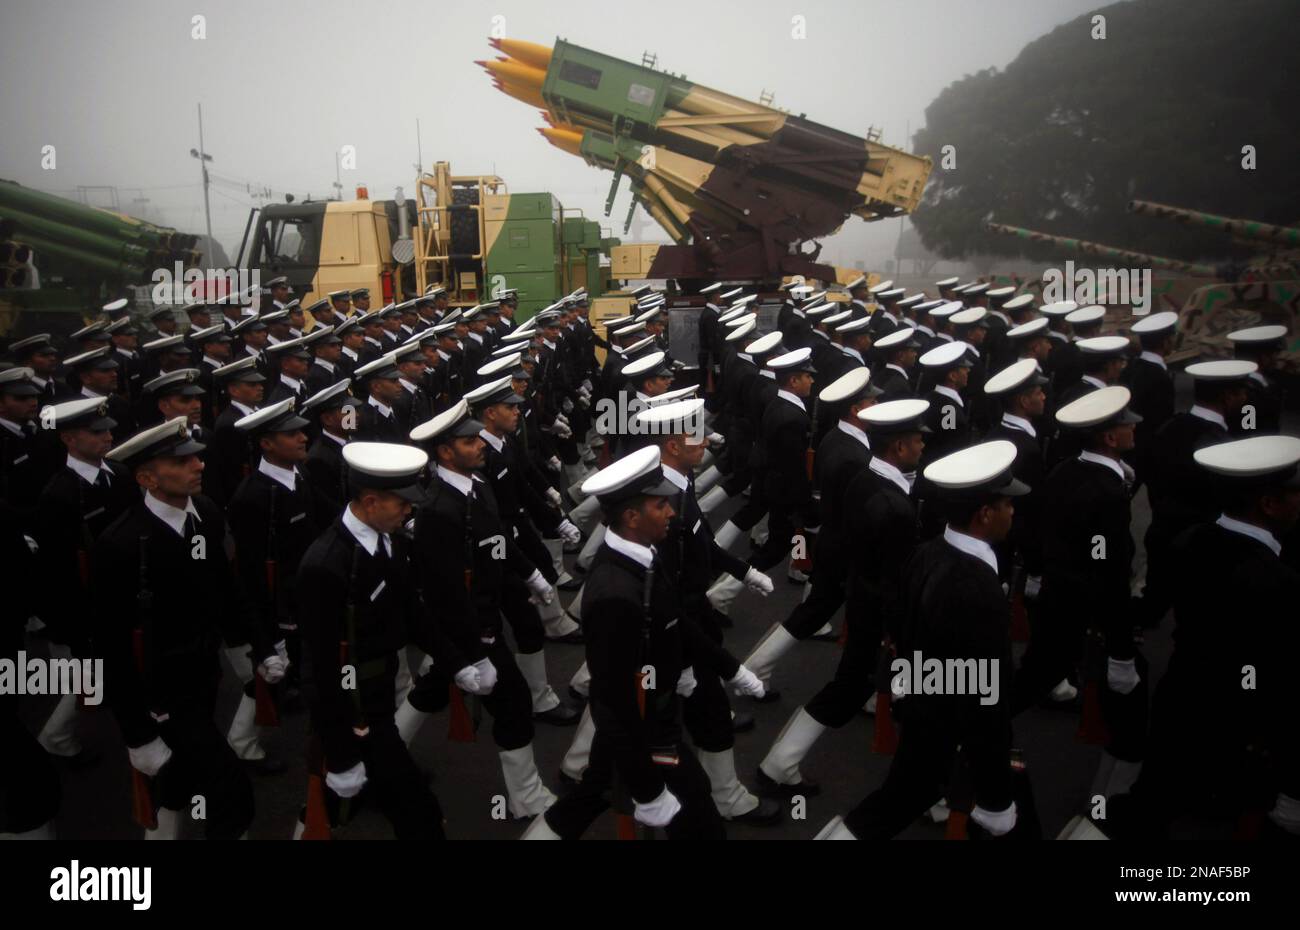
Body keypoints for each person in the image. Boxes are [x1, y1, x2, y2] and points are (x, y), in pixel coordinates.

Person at [816, 440, 1028, 840]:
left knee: (897, 799)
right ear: (984, 514)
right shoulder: (978, 587)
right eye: (1005, 504)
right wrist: (996, 793)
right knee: (898, 800)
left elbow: (899, 618)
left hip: (925, 700)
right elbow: (986, 691)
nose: (1012, 510)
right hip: (949, 717)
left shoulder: (929, 552)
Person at [524, 444, 728, 840]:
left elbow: (672, 622)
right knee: (699, 814)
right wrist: (648, 789)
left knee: (593, 793)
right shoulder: (616, 591)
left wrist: (726, 668)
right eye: (660, 506)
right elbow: (611, 701)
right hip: (644, 722)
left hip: (647, 710)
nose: (671, 512)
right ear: (632, 517)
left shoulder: (643, 555)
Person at [96, 418, 282, 838]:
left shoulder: (206, 515)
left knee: (176, 786)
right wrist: (137, 735)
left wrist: (259, 647)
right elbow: (110, 647)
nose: (197, 465)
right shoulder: (121, 544)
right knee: (232, 797)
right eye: (180, 462)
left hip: (202, 675)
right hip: (159, 693)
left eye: (196, 456)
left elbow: (226, 590)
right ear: (147, 478)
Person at [1111, 434, 1300, 839]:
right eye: (1292, 494)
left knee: (1156, 806)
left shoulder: (1188, 539)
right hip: (1241, 721)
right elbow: (1284, 677)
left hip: (1180, 696)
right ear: (1268, 504)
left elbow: (1153, 606)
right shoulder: (1277, 580)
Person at [760, 397, 930, 799]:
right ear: (899, 448)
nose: (923, 447)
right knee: (848, 688)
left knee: (851, 685)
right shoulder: (893, 504)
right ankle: (779, 763)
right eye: (918, 441)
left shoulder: (867, 478)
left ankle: (781, 761)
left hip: (862, 596)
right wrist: (899, 631)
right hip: (877, 609)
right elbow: (894, 577)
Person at [399, 400, 559, 819]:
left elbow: (499, 539)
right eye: (469, 442)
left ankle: (380, 757)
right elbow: (445, 593)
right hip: (469, 627)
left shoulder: (478, 485)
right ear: (445, 452)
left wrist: (531, 575)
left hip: (482, 618)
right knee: (514, 704)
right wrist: (475, 650)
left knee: (433, 687)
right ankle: (526, 798)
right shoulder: (437, 510)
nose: (479, 446)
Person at [295, 442, 449, 839]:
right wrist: (343, 754)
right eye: (402, 503)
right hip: (353, 710)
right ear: (369, 501)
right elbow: (320, 670)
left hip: (379, 698)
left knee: (348, 804)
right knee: (413, 813)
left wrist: (455, 656)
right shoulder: (326, 565)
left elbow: (409, 610)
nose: (409, 511)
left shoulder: (386, 538)